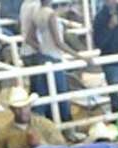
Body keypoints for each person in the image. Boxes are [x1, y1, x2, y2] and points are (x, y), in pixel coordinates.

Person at [30, 0, 88, 138]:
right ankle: (69, 131)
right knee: (62, 95)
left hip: (42, 57)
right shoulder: (51, 15)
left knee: (43, 97)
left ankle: (42, 131)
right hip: (54, 58)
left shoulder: (37, 14)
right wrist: (79, 56)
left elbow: (29, 38)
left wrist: (42, 48)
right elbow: (58, 42)